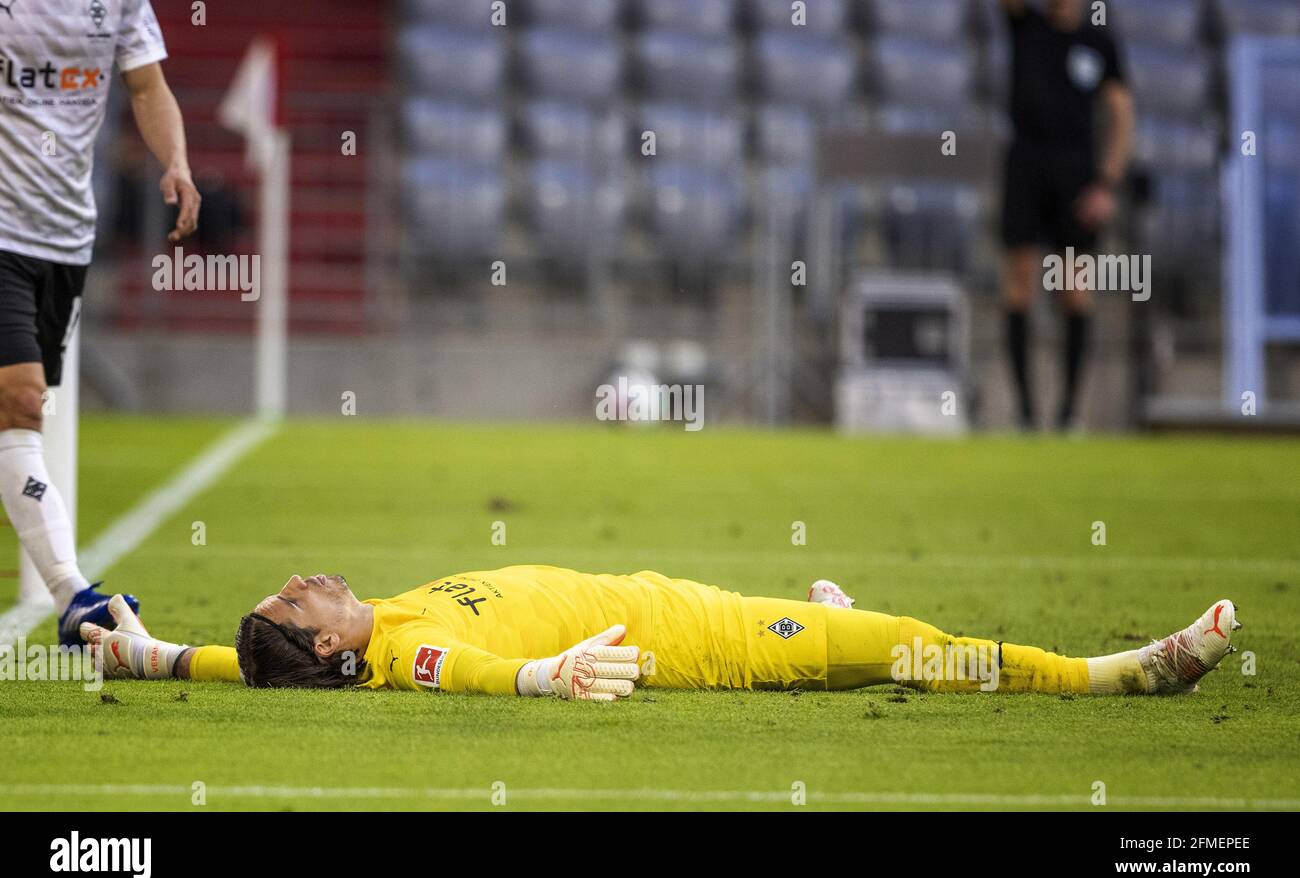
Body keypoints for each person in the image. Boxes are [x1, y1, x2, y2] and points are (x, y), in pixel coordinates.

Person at [83, 565, 1239, 701]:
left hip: (697, 600)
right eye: (299, 604)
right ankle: (1124, 676)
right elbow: (473, 670)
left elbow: (241, 666)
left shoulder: (348, 640)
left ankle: (826, 637)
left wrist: (143, 651)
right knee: (912, 648)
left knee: (862, 640)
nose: (299, 583)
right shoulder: (400, 654)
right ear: (332, 648)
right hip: (720, 638)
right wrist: (544, 676)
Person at [0, 1, 200, 644]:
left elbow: (147, 86)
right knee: (21, 401)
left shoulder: (118, 4)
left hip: (63, 239)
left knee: (21, 413)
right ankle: (74, 597)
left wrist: (177, 162)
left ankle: (67, 595)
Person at [999, 0, 1135, 429]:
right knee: (1019, 284)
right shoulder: (1026, 26)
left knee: (1073, 288)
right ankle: (1024, 413)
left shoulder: (1099, 42)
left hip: (1076, 173)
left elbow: (1121, 114)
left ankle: (1068, 413)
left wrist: (1107, 183)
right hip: (1026, 164)